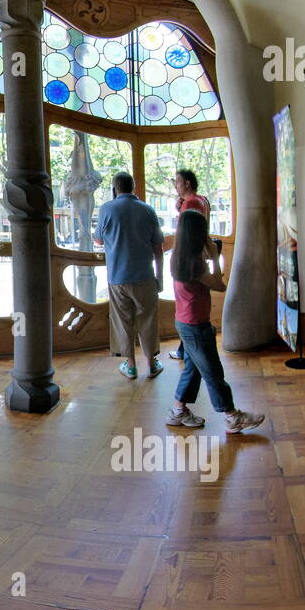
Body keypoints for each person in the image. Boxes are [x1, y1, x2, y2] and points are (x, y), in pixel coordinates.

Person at [164, 206, 265, 434]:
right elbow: (219, 285)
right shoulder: (195, 264)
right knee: (213, 372)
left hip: (185, 322)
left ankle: (178, 411)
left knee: (193, 369)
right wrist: (216, 257)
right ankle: (232, 416)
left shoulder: (178, 257)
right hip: (196, 326)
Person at [97, 172, 163, 380]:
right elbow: (158, 248)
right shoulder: (148, 210)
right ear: (133, 187)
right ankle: (152, 365)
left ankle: (131, 365)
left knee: (122, 320)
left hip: (117, 276)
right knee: (148, 319)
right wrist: (159, 277)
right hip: (144, 275)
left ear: (115, 189)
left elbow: (98, 240)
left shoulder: (106, 209)